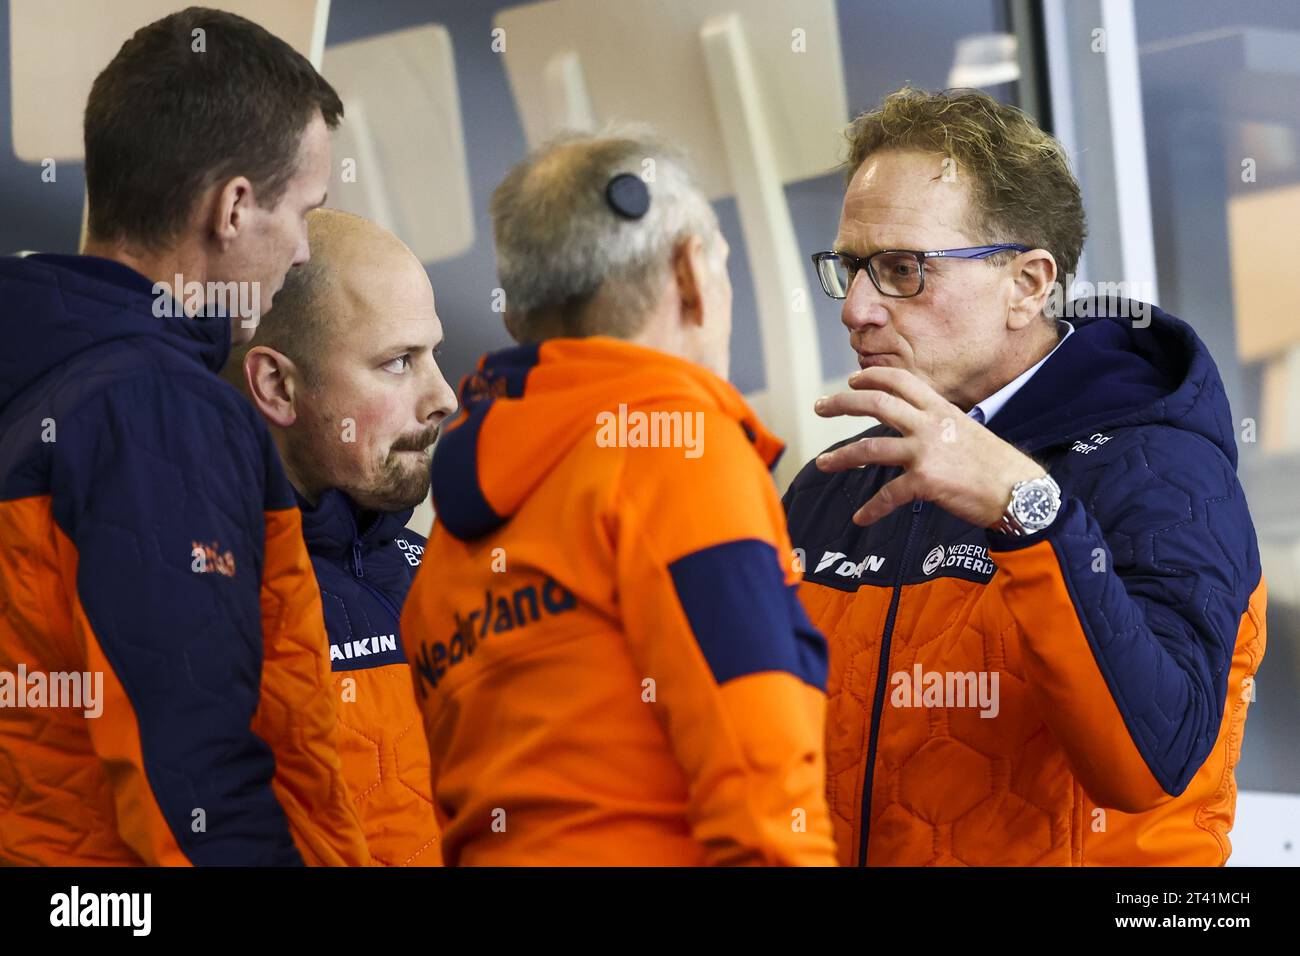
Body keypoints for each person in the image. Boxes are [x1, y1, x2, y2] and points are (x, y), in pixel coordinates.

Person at [785, 86, 1266, 865]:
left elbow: (1152, 765)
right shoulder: (835, 481)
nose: (857, 308)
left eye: (902, 268)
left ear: (1030, 284)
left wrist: (1028, 512)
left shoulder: (1164, 470)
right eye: (850, 269)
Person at [400, 131, 837, 866]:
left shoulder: (452, 544)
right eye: (723, 264)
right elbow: (760, 787)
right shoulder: (679, 450)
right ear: (693, 274)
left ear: (519, 316)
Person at [0, 8, 368, 865]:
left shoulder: (49, 378)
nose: (306, 251)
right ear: (234, 207)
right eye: (306, 211)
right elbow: (189, 775)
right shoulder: (156, 409)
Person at [224, 208, 456, 865]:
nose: (444, 396)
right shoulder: (199, 599)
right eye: (398, 362)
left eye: (432, 354)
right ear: (276, 385)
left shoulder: (437, 567)